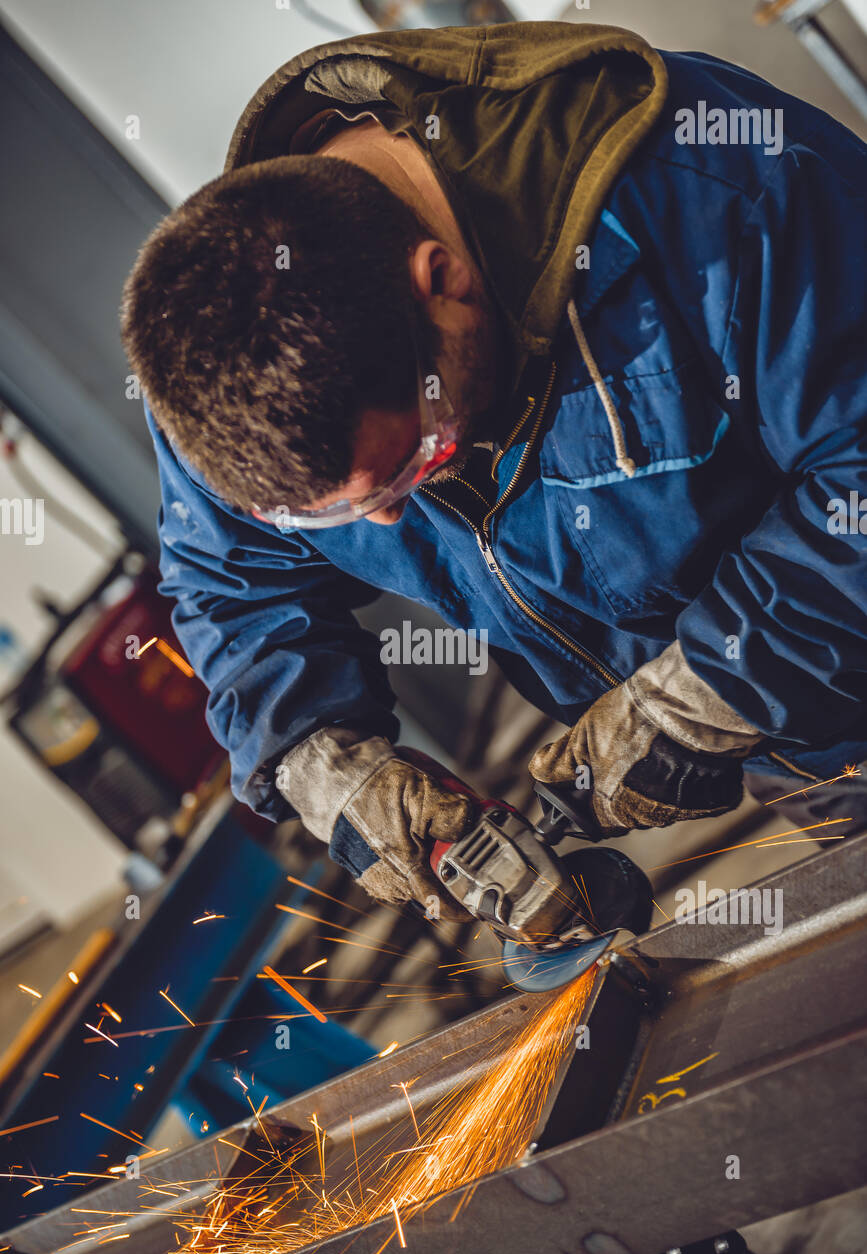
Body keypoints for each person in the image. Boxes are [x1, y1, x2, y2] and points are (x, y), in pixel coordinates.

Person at [121, 21, 867, 921]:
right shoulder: (230, 365)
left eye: (412, 467)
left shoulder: (699, 184)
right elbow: (231, 586)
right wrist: (321, 756)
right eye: (338, 518)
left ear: (441, 282)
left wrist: (715, 684)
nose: (395, 523)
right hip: (807, 758)